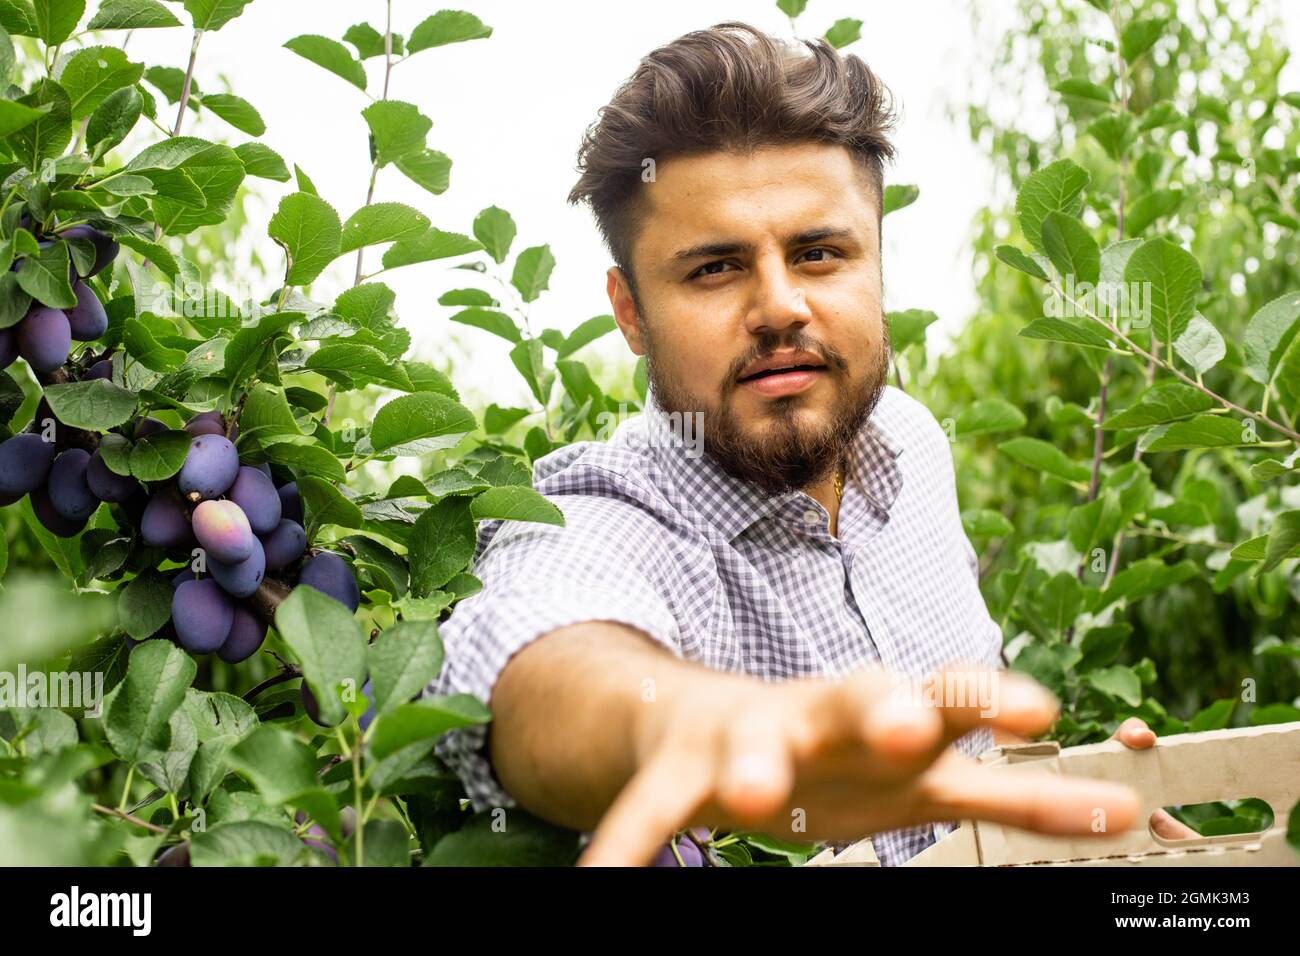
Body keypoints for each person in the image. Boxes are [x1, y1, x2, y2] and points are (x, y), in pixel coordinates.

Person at [426, 21, 1191, 866]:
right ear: (631, 312)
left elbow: (964, 746)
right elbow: (539, 658)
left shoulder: (909, 441)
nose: (781, 305)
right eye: (714, 268)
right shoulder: (610, 519)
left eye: (819, 252)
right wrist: (702, 725)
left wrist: (1088, 824)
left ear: (877, 263)